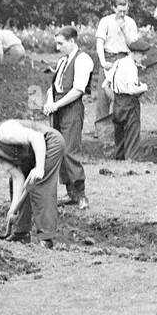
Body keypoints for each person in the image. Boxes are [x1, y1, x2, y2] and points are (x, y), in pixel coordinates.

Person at [0, 120, 64, 247]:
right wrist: (13, 210)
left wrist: (40, 168)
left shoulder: (5, 132)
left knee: (39, 185)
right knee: (18, 182)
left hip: (50, 143)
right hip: (32, 155)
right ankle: (21, 232)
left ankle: (46, 239)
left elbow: (37, 137)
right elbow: (18, 178)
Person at [42, 26, 93, 209]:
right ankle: (71, 193)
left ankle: (81, 195)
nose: (57, 48)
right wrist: (50, 102)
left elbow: (78, 89)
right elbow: (53, 87)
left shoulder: (83, 59)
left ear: (72, 41)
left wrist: (57, 104)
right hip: (57, 110)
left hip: (71, 109)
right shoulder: (63, 61)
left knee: (70, 150)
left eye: (60, 43)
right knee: (58, 150)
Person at [94, 0, 140, 137]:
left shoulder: (130, 22)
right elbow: (99, 42)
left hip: (124, 58)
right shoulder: (106, 21)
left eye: (124, 11)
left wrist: (124, 28)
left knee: (122, 94)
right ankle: (100, 129)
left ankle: (121, 128)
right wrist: (102, 61)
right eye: (120, 10)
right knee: (103, 94)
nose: (122, 13)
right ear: (114, 8)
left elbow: (133, 44)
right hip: (108, 57)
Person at [105, 39, 150, 160]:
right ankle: (131, 160)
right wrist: (144, 87)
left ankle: (119, 160)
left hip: (117, 103)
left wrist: (115, 99)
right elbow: (131, 89)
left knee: (119, 135)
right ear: (135, 53)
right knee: (132, 133)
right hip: (129, 103)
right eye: (143, 54)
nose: (144, 57)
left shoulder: (118, 62)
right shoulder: (131, 67)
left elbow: (105, 84)